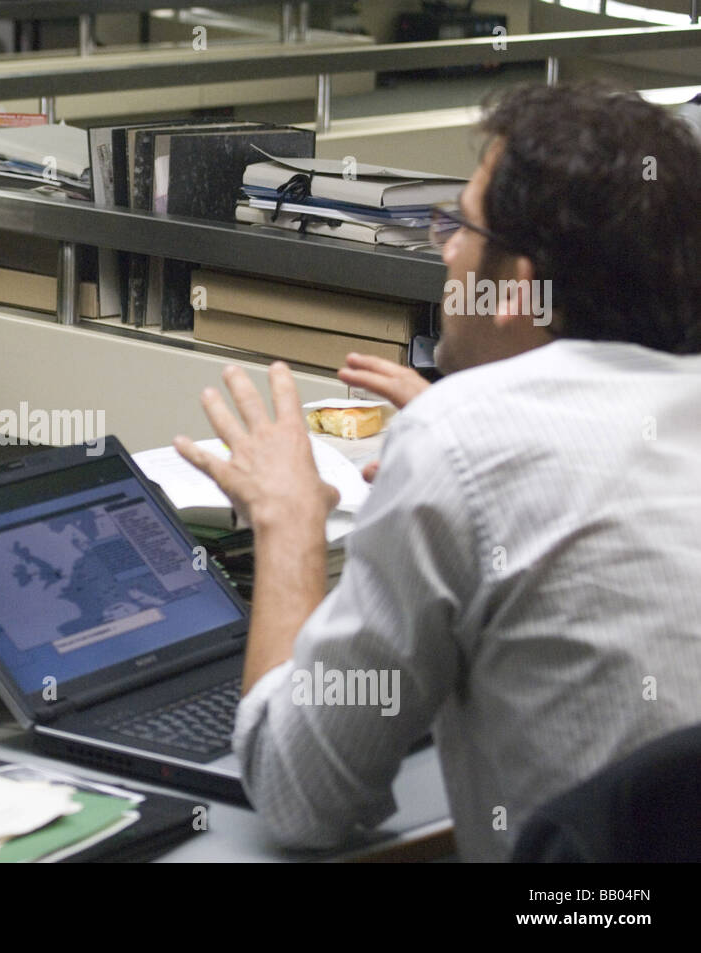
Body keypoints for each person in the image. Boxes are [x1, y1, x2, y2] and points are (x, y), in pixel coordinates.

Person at [175, 81, 701, 861]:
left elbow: (301, 797)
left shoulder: (463, 440)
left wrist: (290, 518)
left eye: (461, 226)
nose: (445, 249)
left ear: (516, 284)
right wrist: (467, 457)